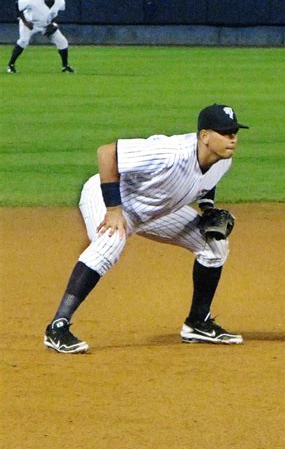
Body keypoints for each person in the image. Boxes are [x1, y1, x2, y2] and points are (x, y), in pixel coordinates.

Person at [44, 104, 249, 353]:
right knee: (111, 241)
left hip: (154, 212)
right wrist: (113, 210)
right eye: (225, 133)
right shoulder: (170, 153)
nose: (232, 138)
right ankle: (57, 327)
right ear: (204, 136)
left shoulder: (222, 161)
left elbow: (205, 183)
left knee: (214, 245)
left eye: (234, 132)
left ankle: (198, 322)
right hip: (111, 198)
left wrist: (208, 209)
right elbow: (107, 153)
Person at [7, 0, 75, 74]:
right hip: (30, 23)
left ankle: (65, 66)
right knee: (23, 41)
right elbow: (17, 4)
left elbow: (54, 13)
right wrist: (25, 22)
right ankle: (11, 65)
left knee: (62, 41)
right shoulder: (35, 1)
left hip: (45, 25)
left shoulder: (60, 1)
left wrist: (54, 24)